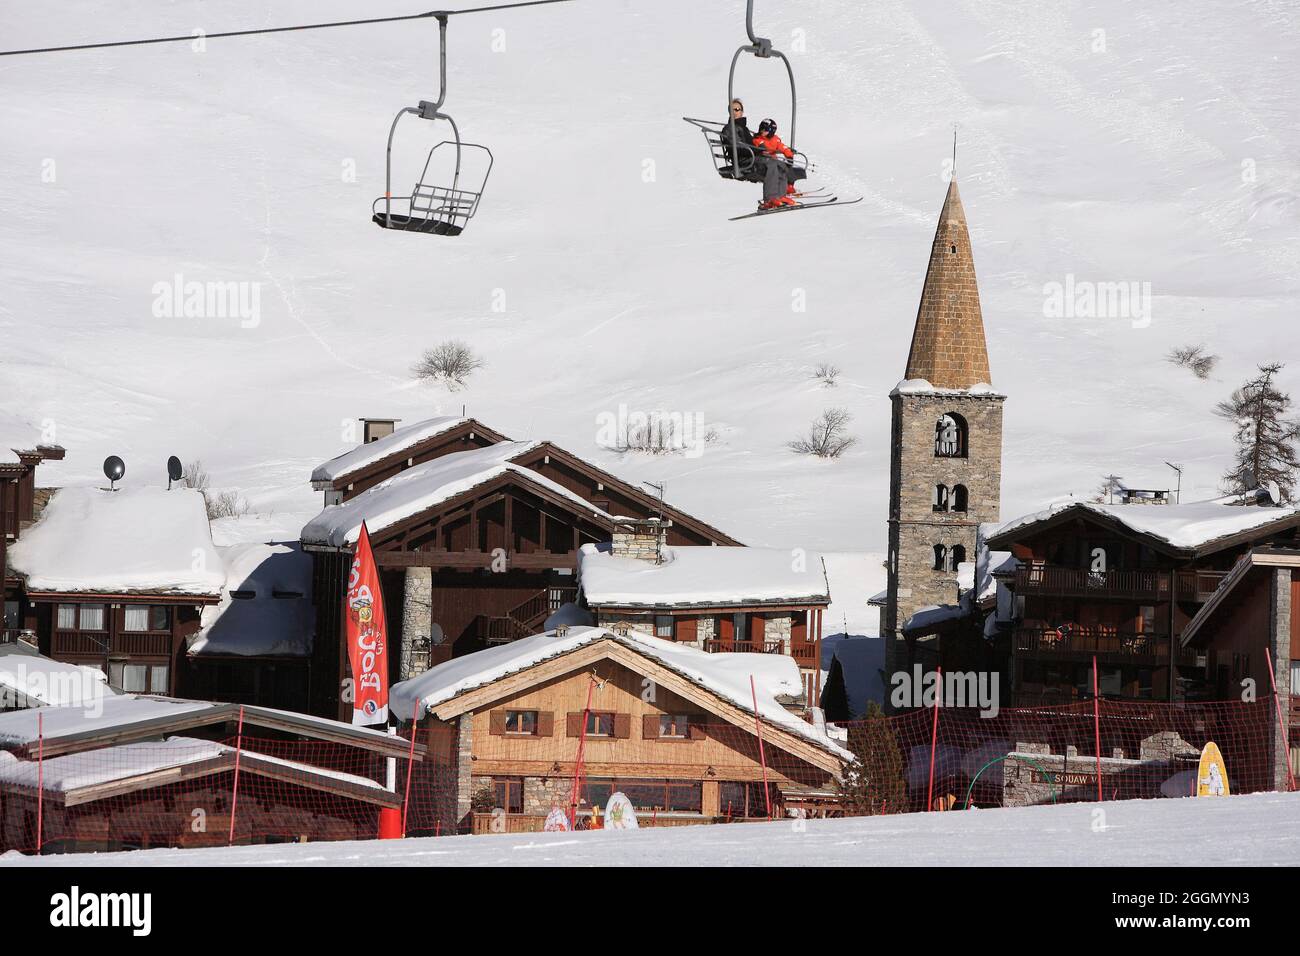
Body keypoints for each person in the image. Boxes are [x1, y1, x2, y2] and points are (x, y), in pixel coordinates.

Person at [721, 100, 795, 209]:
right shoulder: (729, 128)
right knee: (772, 163)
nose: (735, 111)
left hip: (752, 157)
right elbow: (737, 148)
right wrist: (757, 150)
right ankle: (770, 199)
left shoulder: (743, 128)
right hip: (744, 160)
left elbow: (753, 144)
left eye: (737, 109)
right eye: (732, 109)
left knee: (781, 164)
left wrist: (760, 150)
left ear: (742, 111)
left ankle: (780, 196)